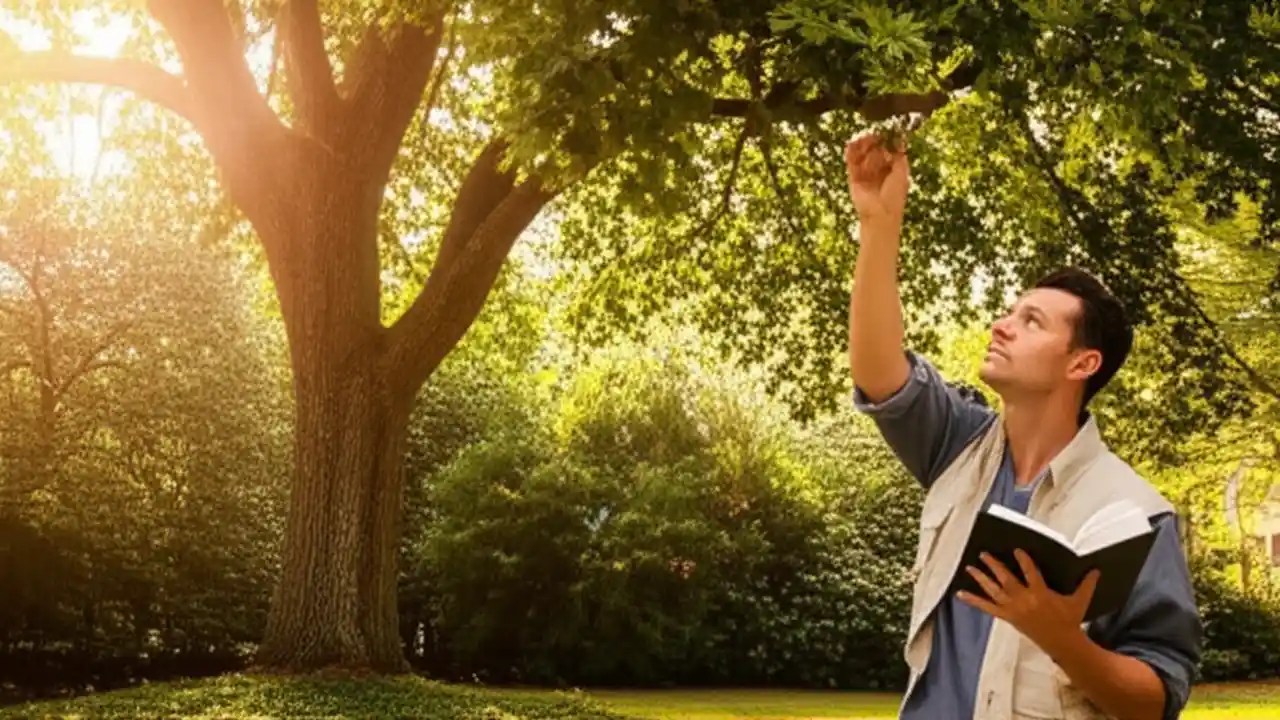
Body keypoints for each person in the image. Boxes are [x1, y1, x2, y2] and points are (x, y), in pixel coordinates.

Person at [844, 130, 1202, 720]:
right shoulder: (955, 445)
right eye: (1009, 312)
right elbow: (879, 370)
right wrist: (880, 225)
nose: (1001, 325)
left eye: (1031, 321)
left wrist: (1062, 636)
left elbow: (1157, 698)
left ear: (1081, 363)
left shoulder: (1138, 515)